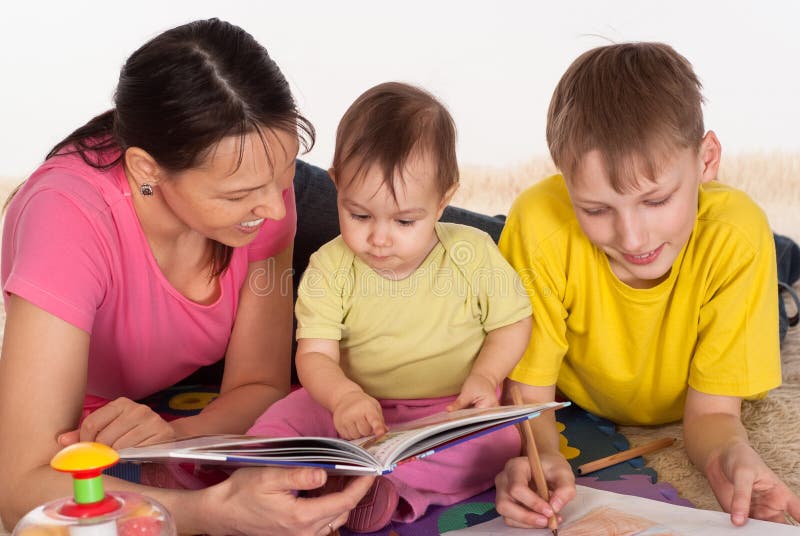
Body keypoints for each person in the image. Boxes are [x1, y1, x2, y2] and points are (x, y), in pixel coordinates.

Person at [0, 18, 375, 535]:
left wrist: (179, 432)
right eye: (241, 194)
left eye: (285, 168)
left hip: (248, 173)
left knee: (462, 247)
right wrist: (213, 512)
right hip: (209, 174)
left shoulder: (270, 195)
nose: (271, 209)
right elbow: (18, 485)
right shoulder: (67, 221)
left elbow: (260, 382)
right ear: (146, 170)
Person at [493, 41, 800, 529]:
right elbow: (529, 398)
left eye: (656, 200)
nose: (632, 237)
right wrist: (541, 456)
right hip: (591, 385)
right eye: (595, 209)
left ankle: (785, 274)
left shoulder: (736, 236)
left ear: (706, 160)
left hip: (725, 278)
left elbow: (713, 415)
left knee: (775, 284)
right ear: (566, 183)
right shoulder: (537, 223)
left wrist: (729, 458)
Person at [249, 82, 533, 532]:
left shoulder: (473, 253)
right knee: (280, 421)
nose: (379, 238)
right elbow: (316, 355)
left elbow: (513, 324)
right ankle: (242, 475)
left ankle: (386, 489)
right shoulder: (330, 266)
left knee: (497, 444)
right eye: (359, 215)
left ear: (443, 201)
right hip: (351, 404)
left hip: (447, 411)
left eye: (404, 221)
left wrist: (486, 377)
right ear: (336, 184)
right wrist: (342, 396)